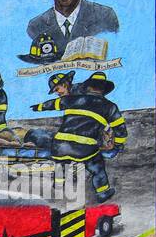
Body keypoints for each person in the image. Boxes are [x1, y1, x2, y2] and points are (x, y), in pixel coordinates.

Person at [29, 70, 128, 200]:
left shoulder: (72, 99)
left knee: (61, 162)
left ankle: (58, 185)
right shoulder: (110, 107)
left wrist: (39, 107)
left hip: (60, 145)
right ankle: (102, 193)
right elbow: (120, 129)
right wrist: (118, 145)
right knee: (97, 167)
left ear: (88, 86)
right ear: (104, 89)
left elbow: (53, 104)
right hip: (84, 149)